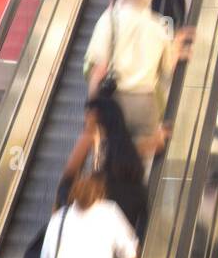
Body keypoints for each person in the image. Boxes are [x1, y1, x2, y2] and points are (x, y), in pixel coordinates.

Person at [84, 0, 194, 165]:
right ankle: (136, 169)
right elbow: (168, 68)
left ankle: (107, 174)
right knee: (141, 161)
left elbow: (99, 71)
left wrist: (91, 111)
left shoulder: (108, 20)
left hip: (114, 100)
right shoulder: (159, 25)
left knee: (106, 151)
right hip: (145, 103)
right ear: (148, 0)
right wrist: (177, 45)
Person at [56, 94, 149, 232]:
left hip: (100, 213)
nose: (86, 126)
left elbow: (69, 175)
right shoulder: (125, 150)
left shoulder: (96, 143)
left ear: (101, 122)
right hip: (125, 217)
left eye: (89, 121)